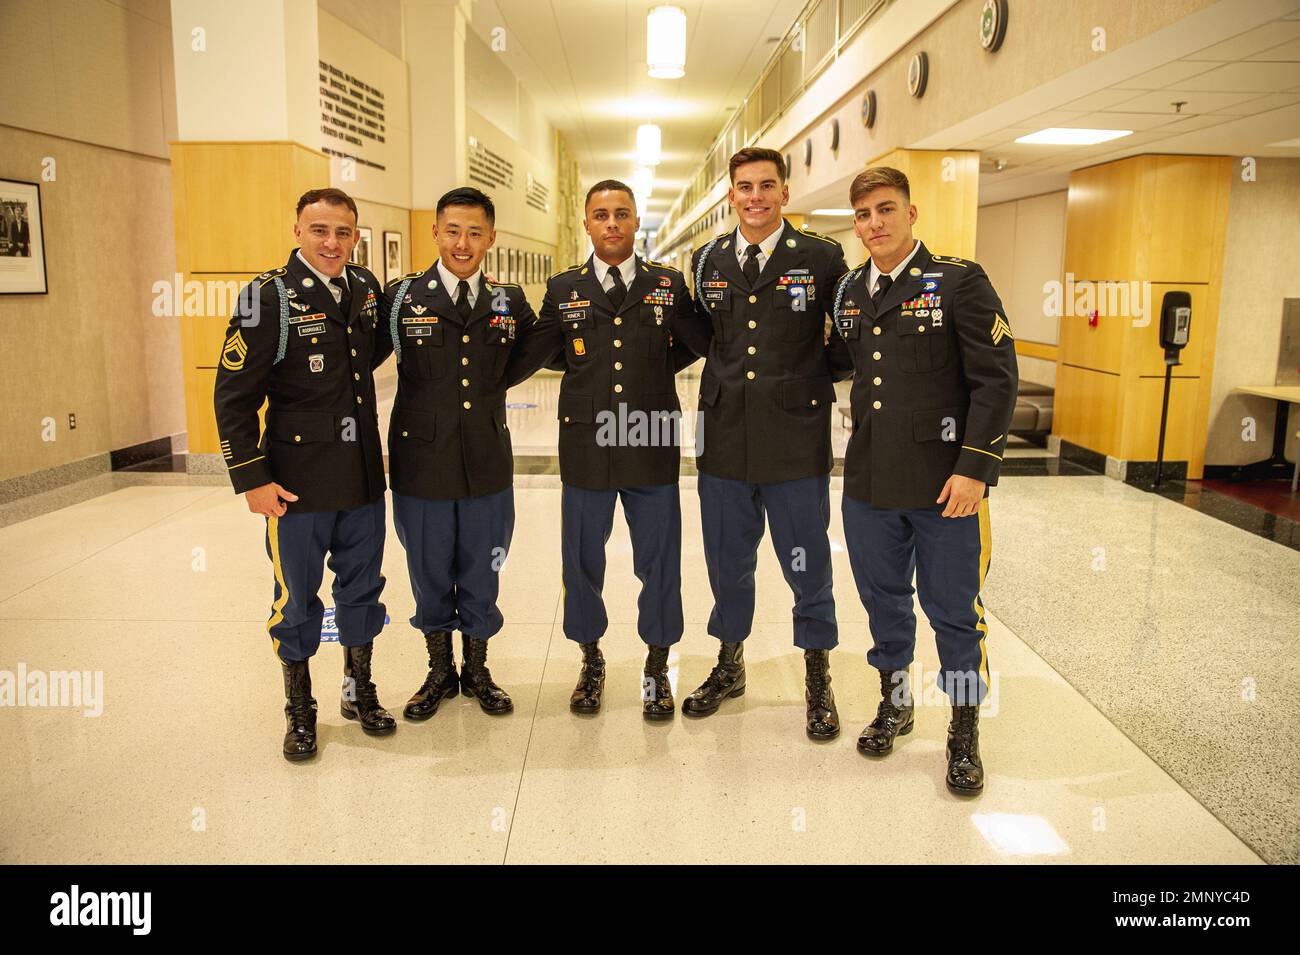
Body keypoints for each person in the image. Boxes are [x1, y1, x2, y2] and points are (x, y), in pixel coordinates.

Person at [829, 166, 1018, 795]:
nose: (874, 223)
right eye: (863, 215)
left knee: (955, 613)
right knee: (884, 601)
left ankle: (964, 731)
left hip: (947, 489)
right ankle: (896, 701)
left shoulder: (959, 281)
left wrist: (974, 470)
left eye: (886, 209)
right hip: (871, 484)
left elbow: (996, 381)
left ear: (912, 214)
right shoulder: (850, 290)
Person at [213, 187, 394, 761]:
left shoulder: (365, 289)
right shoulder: (267, 298)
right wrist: (252, 478)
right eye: (319, 230)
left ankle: (357, 688)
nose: (332, 242)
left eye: (343, 232)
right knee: (296, 602)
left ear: (356, 236)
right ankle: (300, 709)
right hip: (295, 485)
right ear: (297, 231)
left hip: (363, 477)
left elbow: (367, 358)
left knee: (362, 590)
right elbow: (233, 397)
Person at [684, 147, 848, 739]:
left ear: (785, 192)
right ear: (731, 194)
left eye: (766, 186)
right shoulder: (706, 259)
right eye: (744, 187)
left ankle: (817, 676)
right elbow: (706, 336)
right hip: (724, 436)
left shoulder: (823, 258)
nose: (755, 197)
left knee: (806, 562)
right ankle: (730, 664)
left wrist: (807, 377)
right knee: (727, 560)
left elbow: (850, 335)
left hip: (795, 438)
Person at [534, 180, 708, 718]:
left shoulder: (667, 284)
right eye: (601, 215)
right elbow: (547, 349)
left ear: (637, 223)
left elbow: (698, 344)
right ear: (586, 224)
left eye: (622, 214)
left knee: (660, 560)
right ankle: (591, 659)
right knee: (581, 559)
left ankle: (657, 663)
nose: (612, 223)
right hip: (586, 444)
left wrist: (649, 374)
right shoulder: (564, 287)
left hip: (649, 439)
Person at [377, 187, 551, 719]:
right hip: (421, 464)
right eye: (452, 230)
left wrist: (497, 383)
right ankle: (438, 671)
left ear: (491, 238)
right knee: (428, 569)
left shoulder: (508, 300)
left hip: (486, 461)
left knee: (483, 567)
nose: (462, 242)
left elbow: (533, 350)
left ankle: (476, 669)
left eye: (475, 232)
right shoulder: (402, 296)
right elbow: (356, 358)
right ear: (435, 232)